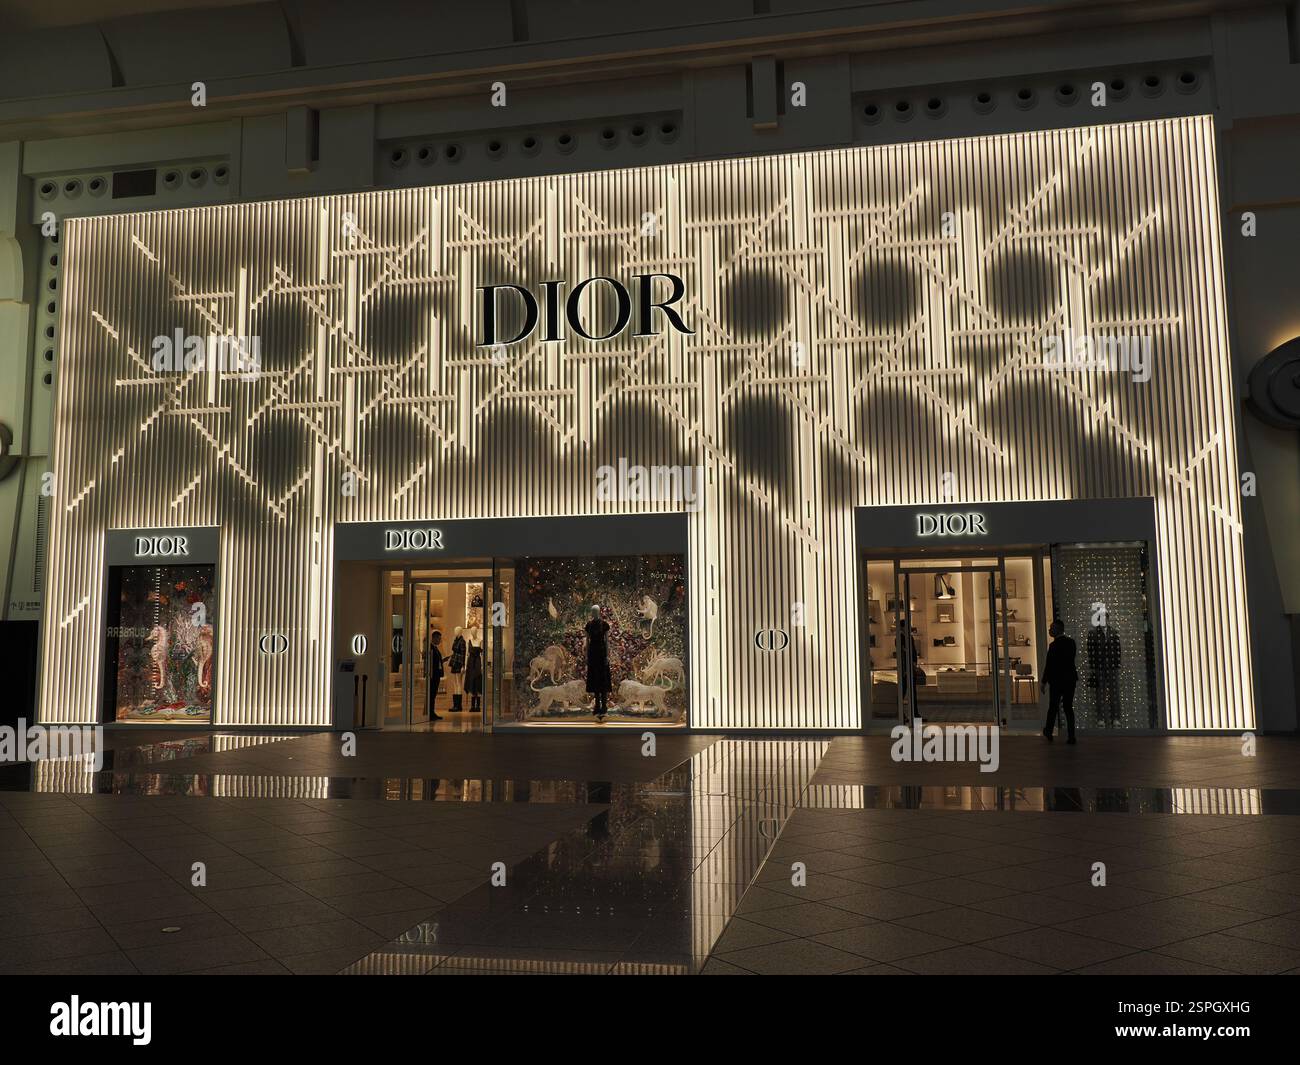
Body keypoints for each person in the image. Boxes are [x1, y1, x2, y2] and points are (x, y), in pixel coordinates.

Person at [1041, 619, 1078, 744]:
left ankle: (1048, 730)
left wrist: (1043, 681)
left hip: (1056, 681)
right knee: (1068, 707)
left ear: (1058, 629)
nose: (1050, 630)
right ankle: (1071, 735)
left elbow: (1049, 665)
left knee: (1053, 707)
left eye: (1052, 628)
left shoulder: (1053, 646)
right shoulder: (1071, 643)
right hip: (1070, 680)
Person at [584, 605, 613, 722]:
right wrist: (587, 656)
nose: (594, 613)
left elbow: (607, 641)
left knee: (603, 679)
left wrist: (607, 655)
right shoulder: (589, 625)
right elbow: (587, 641)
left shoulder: (604, 625)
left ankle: (604, 706)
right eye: (592, 611)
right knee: (595, 679)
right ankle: (597, 706)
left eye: (595, 611)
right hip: (592, 653)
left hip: (601, 653)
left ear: (599, 612)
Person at [426, 630, 445, 721]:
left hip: (436, 674)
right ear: (434, 638)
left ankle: (432, 712)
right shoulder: (430, 648)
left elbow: (437, 661)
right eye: (438, 638)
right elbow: (431, 662)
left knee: (433, 695)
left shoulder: (435, 648)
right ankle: (430, 713)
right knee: (432, 694)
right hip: (433, 675)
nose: (440, 640)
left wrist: (443, 661)